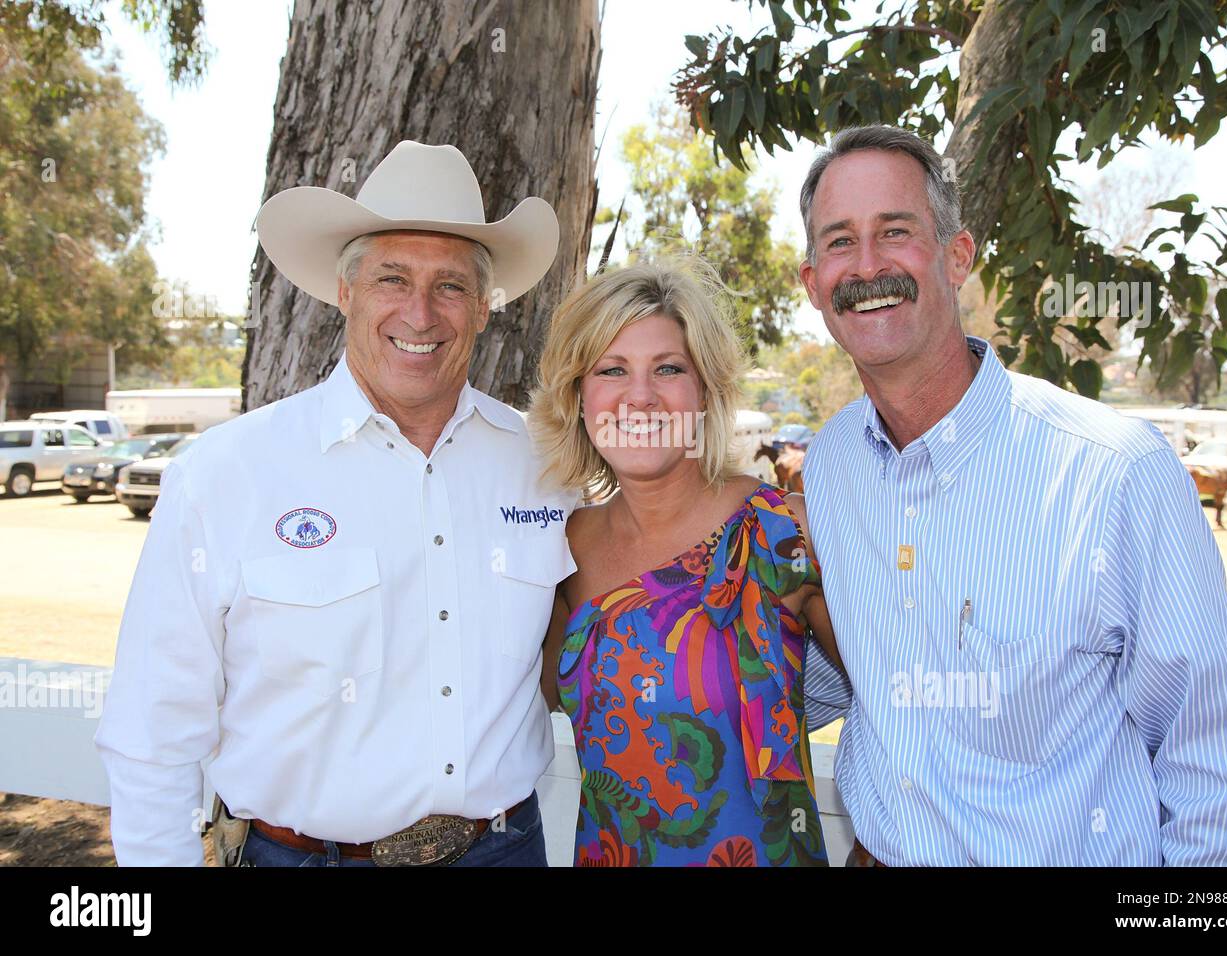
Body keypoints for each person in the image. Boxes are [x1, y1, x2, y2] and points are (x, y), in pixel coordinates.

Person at [796, 124, 1227, 866]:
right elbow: (852, 679)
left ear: (957, 255)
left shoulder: (1112, 472)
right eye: (839, 241)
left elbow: (1224, 787)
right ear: (812, 282)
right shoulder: (834, 465)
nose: (867, 266)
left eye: (894, 232)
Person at [94, 141, 576, 867]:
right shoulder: (226, 475)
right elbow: (152, 730)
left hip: (503, 850)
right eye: (392, 277)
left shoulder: (543, 464)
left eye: (449, 285)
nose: (420, 312)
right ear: (345, 292)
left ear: (483, 307)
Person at [528, 257, 843, 867]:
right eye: (612, 370)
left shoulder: (785, 532)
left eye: (668, 369)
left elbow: (897, 706)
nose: (639, 397)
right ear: (579, 395)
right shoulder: (563, 550)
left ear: (705, 391)